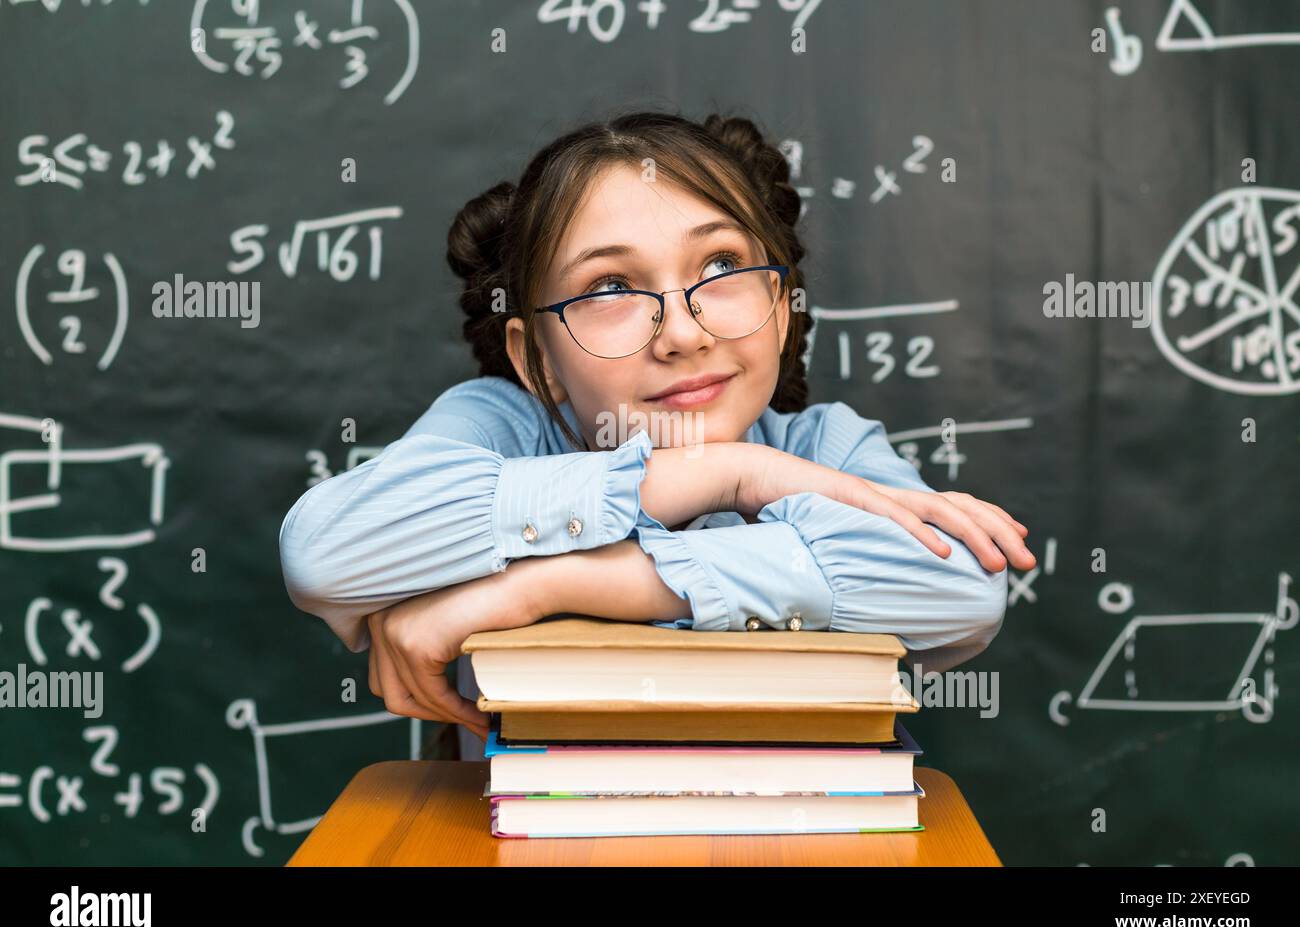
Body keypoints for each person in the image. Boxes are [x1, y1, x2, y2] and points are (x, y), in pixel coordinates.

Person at [278, 109, 1036, 761]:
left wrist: (552, 583)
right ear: (536, 358)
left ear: (780, 306)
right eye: (611, 287)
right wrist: (723, 475)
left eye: (721, 264)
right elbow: (322, 551)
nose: (682, 331)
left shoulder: (824, 448)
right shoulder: (502, 424)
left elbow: (962, 586)